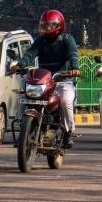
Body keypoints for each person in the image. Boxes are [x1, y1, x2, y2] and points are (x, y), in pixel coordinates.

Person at [20, 10, 81, 147]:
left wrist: (75, 67)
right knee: (24, 97)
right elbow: (29, 54)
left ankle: (67, 133)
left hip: (63, 81)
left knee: (65, 101)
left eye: (50, 26)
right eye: (44, 25)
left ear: (59, 26)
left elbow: (73, 54)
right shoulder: (40, 41)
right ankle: (22, 130)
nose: (47, 29)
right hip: (45, 81)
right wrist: (20, 65)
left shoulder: (67, 39)